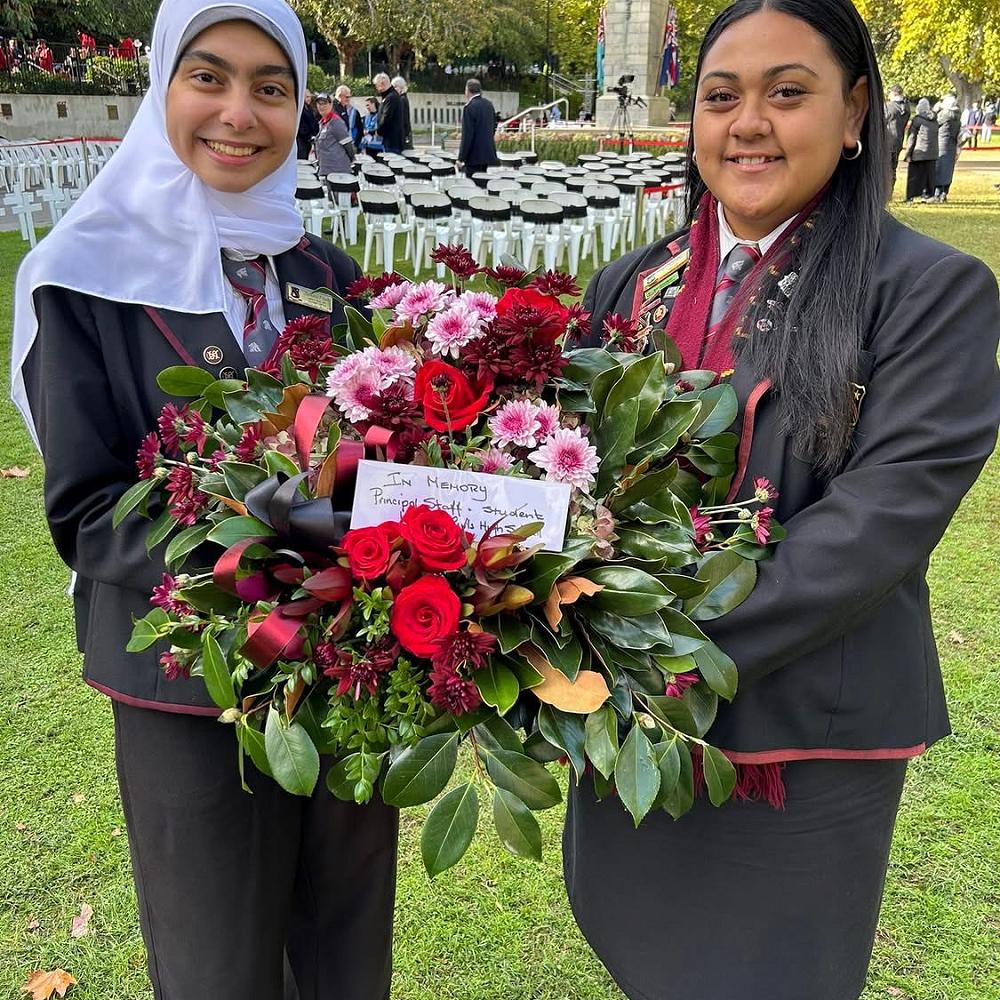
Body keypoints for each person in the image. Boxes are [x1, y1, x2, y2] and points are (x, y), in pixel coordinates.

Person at [568, 2, 1000, 999]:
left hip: (799, 734)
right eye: (721, 97)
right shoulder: (632, 282)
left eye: (786, 93)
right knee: (641, 950)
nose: (747, 122)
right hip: (623, 722)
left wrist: (640, 638)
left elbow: (873, 528)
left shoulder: (926, 292)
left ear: (854, 114)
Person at [10, 1, 399, 997]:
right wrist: (277, 539)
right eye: (209, 77)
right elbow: (90, 510)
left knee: (345, 951)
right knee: (215, 963)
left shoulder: (327, 275)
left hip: (346, 673)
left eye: (272, 88)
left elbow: (382, 458)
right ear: (162, 88)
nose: (239, 112)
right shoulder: (85, 282)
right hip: (187, 686)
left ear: (302, 107)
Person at [457, 78, 498, 177]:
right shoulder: (489, 105)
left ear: (467, 90)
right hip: (487, 153)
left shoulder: (469, 107)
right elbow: (494, 126)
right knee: (483, 182)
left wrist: (461, 158)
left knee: (472, 186)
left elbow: (467, 135)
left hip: (473, 156)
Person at [904, 97, 939, 202]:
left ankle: (911, 196)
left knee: (914, 176)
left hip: (919, 152)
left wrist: (908, 154)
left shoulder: (917, 120)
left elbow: (912, 137)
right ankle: (929, 195)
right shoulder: (935, 120)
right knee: (929, 176)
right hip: (932, 152)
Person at [314, 91, 355, 175]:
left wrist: (352, 160)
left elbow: (348, 145)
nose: (321, 107)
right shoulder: (322, 123)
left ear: (331, 105)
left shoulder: (336, 122)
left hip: (337, 171)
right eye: (319, 104)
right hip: (325, 169)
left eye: (324, 104)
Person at [935, 93, 961, 202]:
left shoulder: (944, 115)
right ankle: (944, 193)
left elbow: (935, 122)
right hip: (952, 144)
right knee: (949, 170)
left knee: (939, 169)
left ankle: (937, 193)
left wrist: (936, 109)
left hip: (942, 143)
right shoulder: (957, 115)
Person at [373, 71, 404, 153]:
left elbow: (386, 117)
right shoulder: (388, 96)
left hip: (392, 141)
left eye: (377, 85)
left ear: (382, 84)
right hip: (389, 139)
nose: (376, 88)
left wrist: (378, 131)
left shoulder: (391, 97)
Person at [884, 83, 909, 178]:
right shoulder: (906, 107)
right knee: (893, 167)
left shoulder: (889, 107)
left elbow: (881, 121)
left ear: (893, 94)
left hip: (888, 139)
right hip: (899, 139)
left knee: (885, 167)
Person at [334, 82, 363, 148]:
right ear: (340, 96)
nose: (348, 99)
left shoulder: (343, 106)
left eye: (349, 97)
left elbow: (360, 128)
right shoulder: (334, 107)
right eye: (347, 97)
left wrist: (356, 143)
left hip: (347, 141)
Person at [296, 85, 319, 159]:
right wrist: (309, 135)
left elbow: (314, 122)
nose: (309, 99)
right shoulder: (299, 110)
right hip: (301, 140)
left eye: (309, 97)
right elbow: (300, 126)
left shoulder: (309, 108)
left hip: (308, 140)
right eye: (307, 97)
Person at [391, 74, 413, 149]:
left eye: (395, 87)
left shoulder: (402, 100)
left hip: (402, 134)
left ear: (401, 87)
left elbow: (403, 119)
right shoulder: (402, 99)